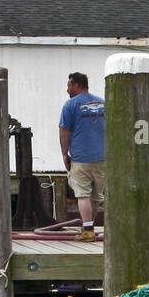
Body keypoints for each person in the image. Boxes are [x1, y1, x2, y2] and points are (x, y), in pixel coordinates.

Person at [59, 72, 106, 241]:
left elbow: (64, 130)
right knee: (96, 196)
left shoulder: (70, 105)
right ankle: (89, 227)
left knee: (83, 194)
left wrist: (65, 154)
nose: (67, 89)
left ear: (76, 85)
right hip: (102, 157)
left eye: (69, 85)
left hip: (81, 157)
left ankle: (87, 231)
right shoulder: (103, 103)